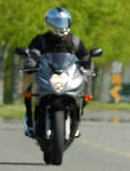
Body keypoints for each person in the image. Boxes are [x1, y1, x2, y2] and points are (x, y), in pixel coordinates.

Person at [24, 7, 94, 137]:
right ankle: (30, 123)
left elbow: (85, 58)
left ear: (69, 22)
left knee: (84, 96)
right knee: (28, 94)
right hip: (47, 77)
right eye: (56, 21)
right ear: (49, 23)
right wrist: (30, 63)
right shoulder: (41, 40)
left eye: (63, 21)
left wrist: (87, 71)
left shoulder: (74, 41)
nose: (60, 25)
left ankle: (76, 120)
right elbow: (33, 53)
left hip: (68, 78)